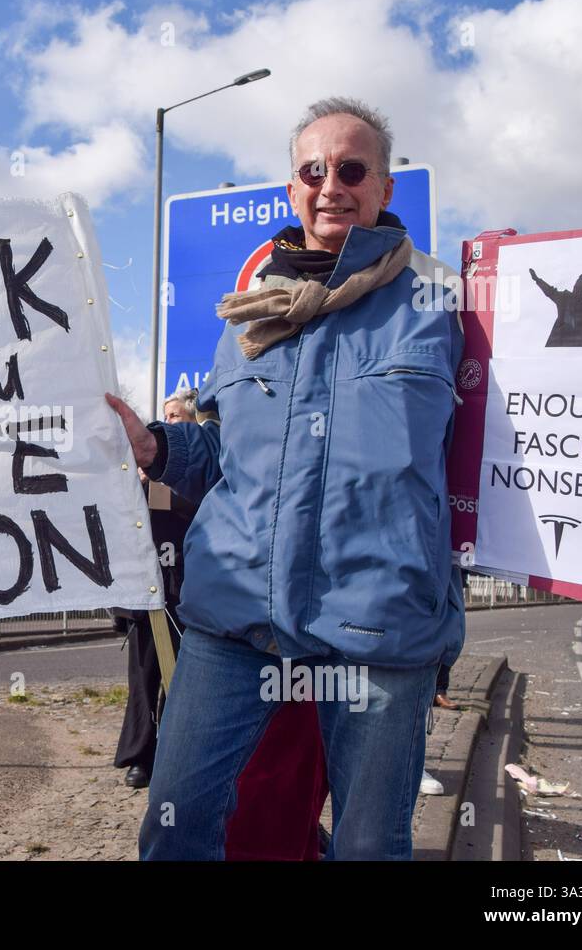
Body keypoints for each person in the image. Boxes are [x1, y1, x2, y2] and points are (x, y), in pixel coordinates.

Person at [107, 98, 465, 860]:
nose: (331, 185)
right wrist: (154, 446)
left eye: (352, 170)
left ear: (384, 187)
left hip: (380, 625)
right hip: (234, 617)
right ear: (293, 188)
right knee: (174, 828)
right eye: (313, 170)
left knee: (369, 846)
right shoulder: (250, 317)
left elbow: (520, 434)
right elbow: (222, 456)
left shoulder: (442, 305)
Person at [113, 390, 198, 788]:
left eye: (176, 415)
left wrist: (157, 484)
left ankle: (176, 754)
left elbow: (189, 504)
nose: (168, 421)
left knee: (181, 681)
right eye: (165, 414)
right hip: (151, 591)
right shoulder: (146, 471)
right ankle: (142, 756)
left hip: (191, 592)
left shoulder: (202, 467)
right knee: (145, 677)